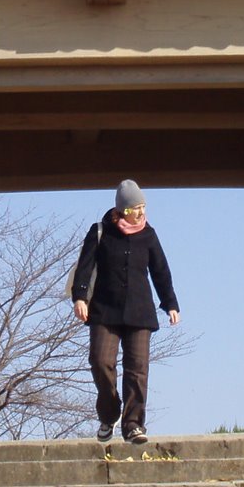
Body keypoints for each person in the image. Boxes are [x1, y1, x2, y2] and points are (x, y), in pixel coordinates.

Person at [70, 179, 180, 444]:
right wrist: (80, 297)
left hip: (140, 312)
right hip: (104, 310)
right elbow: (84, 266)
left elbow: (161, 271)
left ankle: (133, 424)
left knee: (137, 369)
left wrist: (170, 303)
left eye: (143, 207)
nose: (140, 213)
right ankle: (109, 414)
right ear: (121, 210)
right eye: (135, 208)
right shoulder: (101, 231)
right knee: (100, 361)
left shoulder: (149, 235)